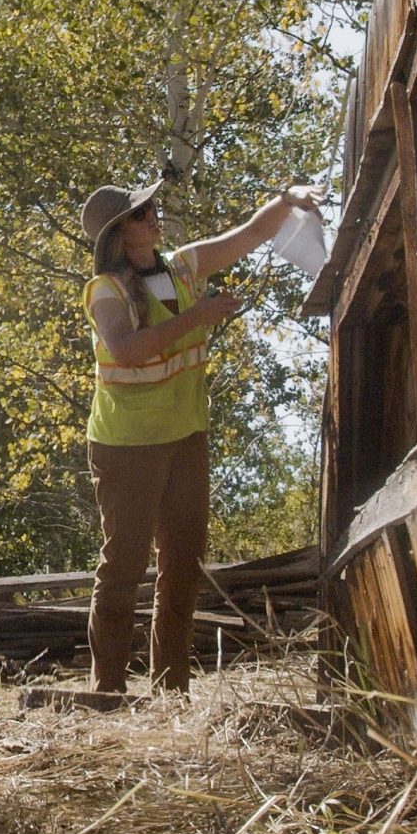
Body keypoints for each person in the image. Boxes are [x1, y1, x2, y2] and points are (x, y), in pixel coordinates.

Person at [79, 178, 324, 694]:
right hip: (127, 444)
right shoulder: (107, 289)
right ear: (118, 235)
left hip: (186, 434)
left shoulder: (184, 265)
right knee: (124, 565)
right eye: (140, 214)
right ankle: (108, 691)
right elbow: (125, 350)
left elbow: (250, 235)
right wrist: (199, 316)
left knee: (183, 565)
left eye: (151, 210)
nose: (152, 218)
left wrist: (286, 201)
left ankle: (171, 689)